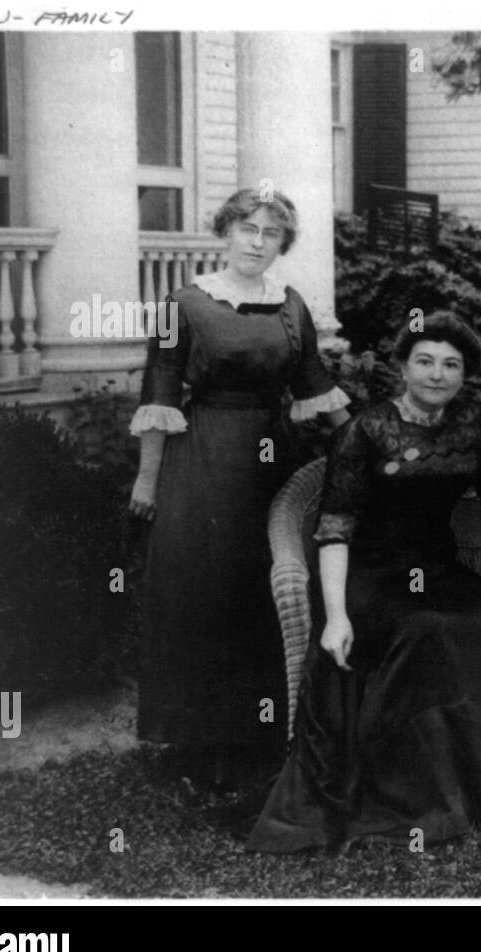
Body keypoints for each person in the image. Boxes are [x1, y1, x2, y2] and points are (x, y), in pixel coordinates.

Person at [247, 312, 481, 852]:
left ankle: (477, 786)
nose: (437, 374)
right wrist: (338, 615)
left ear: (465, 375)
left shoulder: (471, 428)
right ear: (402, 367)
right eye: (425, 361)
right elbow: (334, 528)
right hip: (369, 575)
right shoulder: (365, 430)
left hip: (438, 570)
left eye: (451, 365)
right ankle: (413, 794)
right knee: (424, 628)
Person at [129, 188, 351, 787]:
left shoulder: (290, 304)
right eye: (247, 228)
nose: (257, 241)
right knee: (204, 589)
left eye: (270, 233)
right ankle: (198, 744)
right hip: (202, 458)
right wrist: (148, 480)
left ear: (282, 244)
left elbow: (316, 387)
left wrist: (361, 448)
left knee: (268, 584)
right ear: (225, 232)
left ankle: (266, 732)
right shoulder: (185, 304)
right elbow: (160, 394)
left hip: (272, 457)